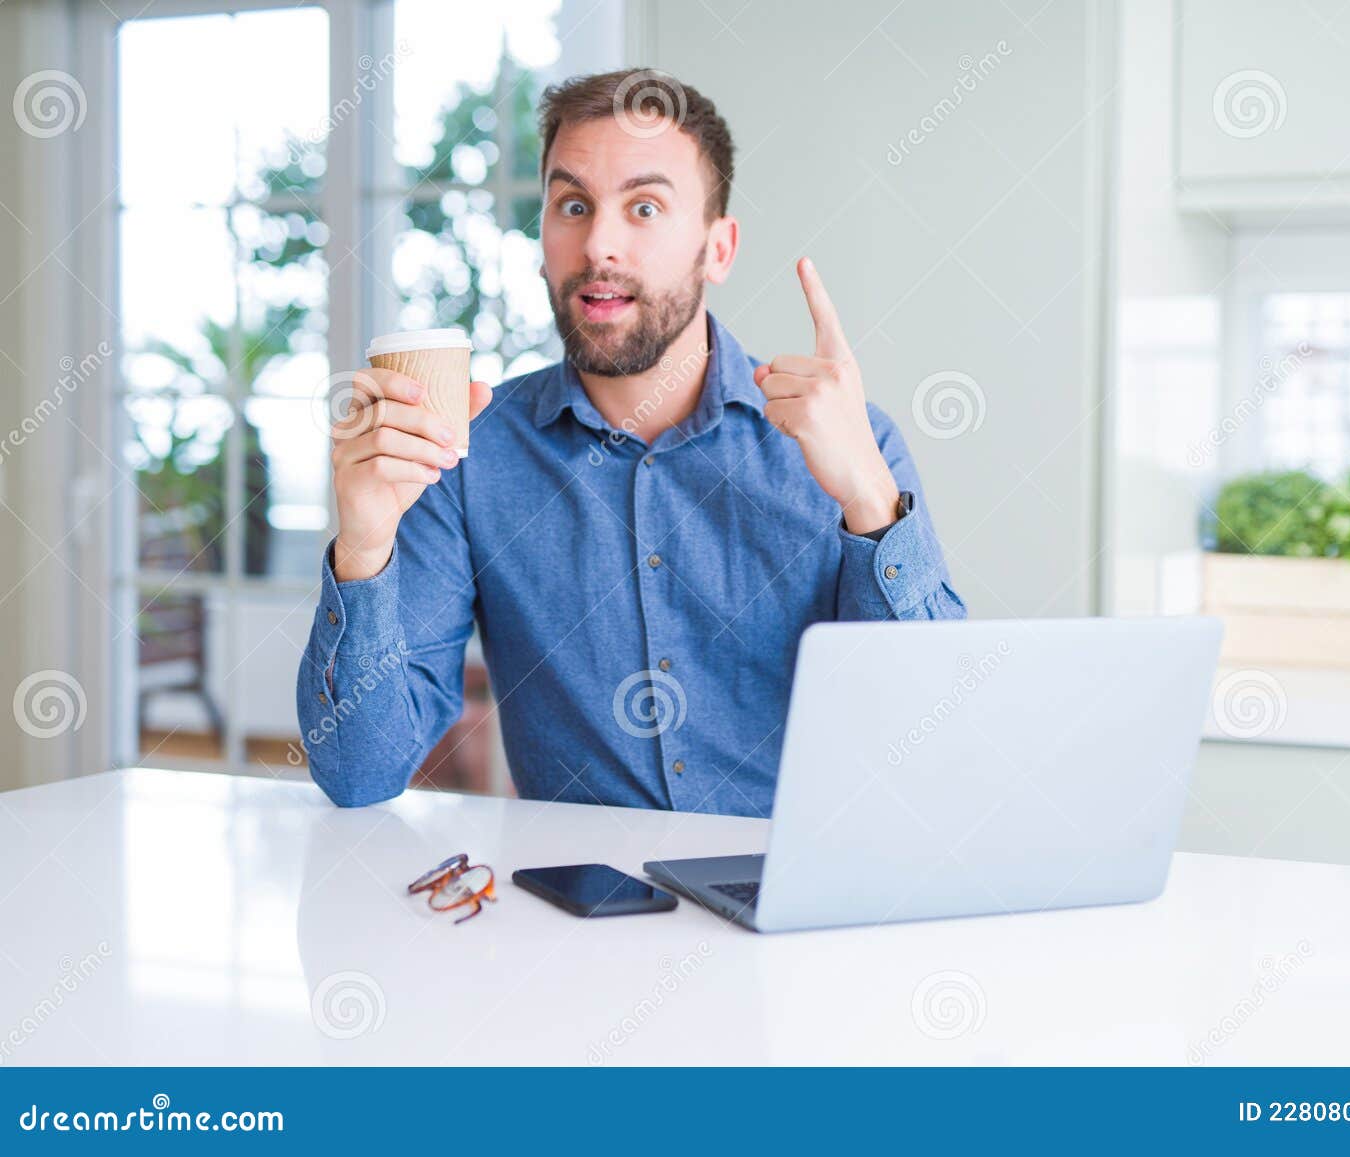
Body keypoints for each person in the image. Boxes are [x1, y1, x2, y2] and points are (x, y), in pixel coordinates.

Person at [297, 69, 965, 816]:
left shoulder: (855, 444)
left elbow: (931, 740)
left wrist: (871, 502)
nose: (599, 245)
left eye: (644, 207)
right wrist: (362, 548)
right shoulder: (465, 456)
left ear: (718, 248)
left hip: (800, 905)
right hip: (577, 919)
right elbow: (361, 772)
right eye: (572, 205)